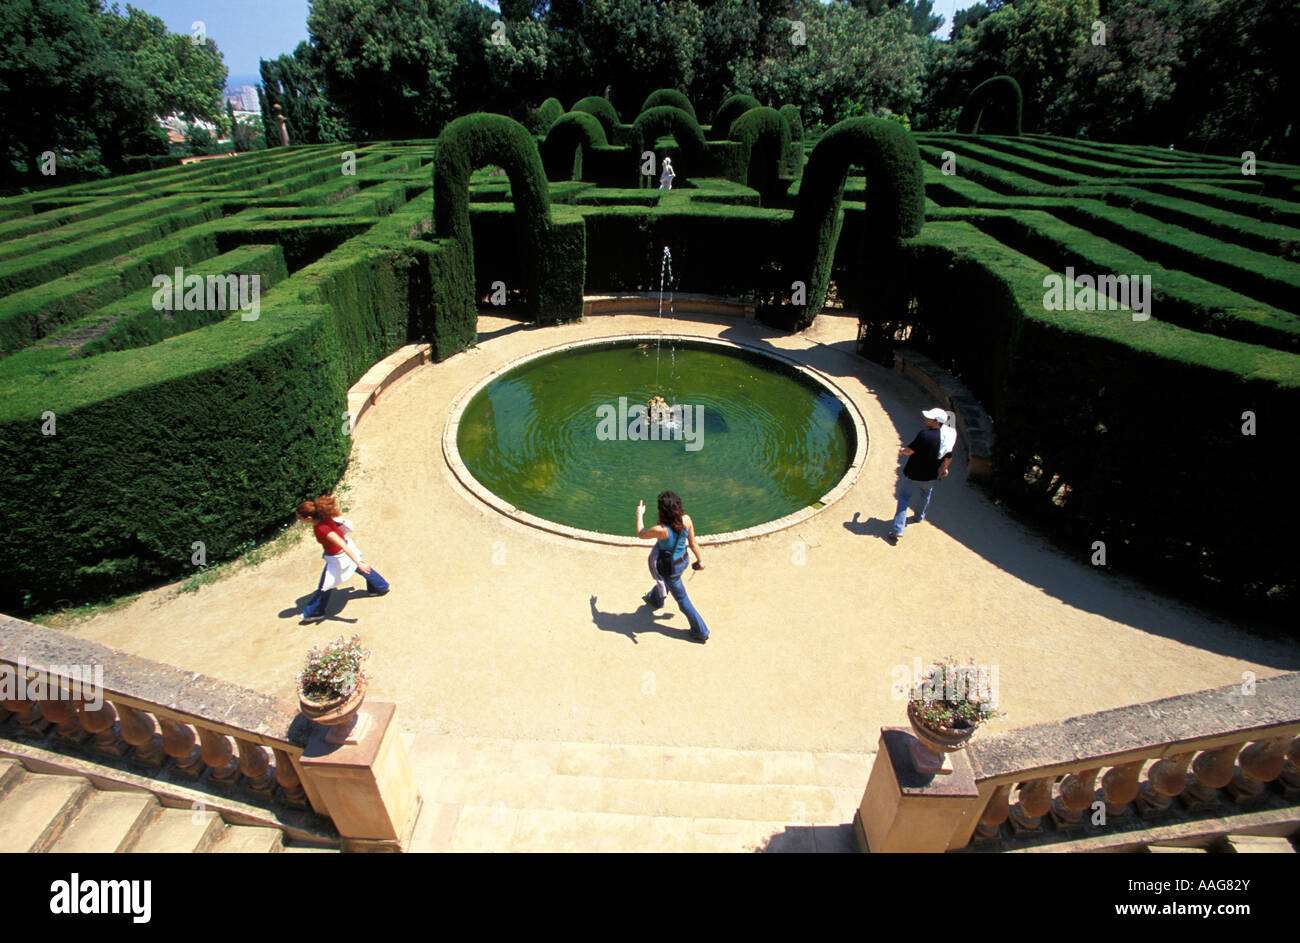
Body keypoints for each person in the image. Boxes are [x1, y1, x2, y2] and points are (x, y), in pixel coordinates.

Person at [296, 494, 389, 623]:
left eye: (300, 518)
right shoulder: (324, 516)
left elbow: (342, 545)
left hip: (338, 558)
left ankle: (314, 612)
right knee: (360, 567)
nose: (299, 520)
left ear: (309, 518)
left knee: (325, 585)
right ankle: (381, 587)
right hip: (343, 553)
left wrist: (357, 562)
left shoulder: (321, 528)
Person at [636, 491, 709, 642]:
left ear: (661, 510)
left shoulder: (661, 530)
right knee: (669, 581)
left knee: (682, 599)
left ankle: (701, 631)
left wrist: (639, 515)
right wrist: (701, 561)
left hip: (670, 568)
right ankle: (656, 598)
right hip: (683, 561)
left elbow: (641, 534)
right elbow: (693, 543)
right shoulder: (686, 520)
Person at [886, 408, 954, 544]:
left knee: (904, 498)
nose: (925, 419)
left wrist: (901, 452)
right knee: (925, 494)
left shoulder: (924, 435)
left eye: (929, 418)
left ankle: (898, 529)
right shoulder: (947, 438)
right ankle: (919, 517)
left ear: (936, 422)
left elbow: (910, 450)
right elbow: (948, 457)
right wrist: (944, 470)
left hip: (913, 473)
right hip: (930, 475)